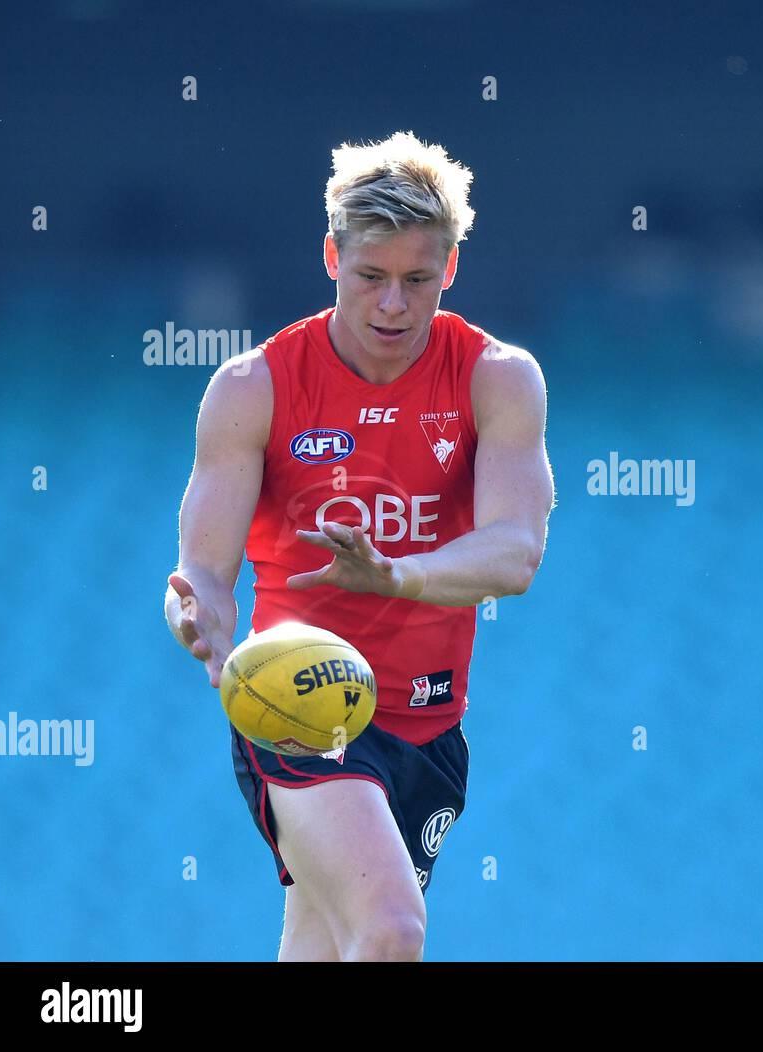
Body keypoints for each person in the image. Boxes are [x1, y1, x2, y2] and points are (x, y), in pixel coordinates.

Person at [163, 131, 555, 961]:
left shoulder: (498, 377)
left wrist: (393, 575)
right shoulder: (252, 388)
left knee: (324, 947)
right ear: (331, 256)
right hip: (300, 708)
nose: (392, 306)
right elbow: (203, 571)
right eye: (371, 277)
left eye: (417, 280)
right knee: (389, 934)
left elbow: (516, 553)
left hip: (430, 724)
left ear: (449, 269)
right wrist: (197, 615)